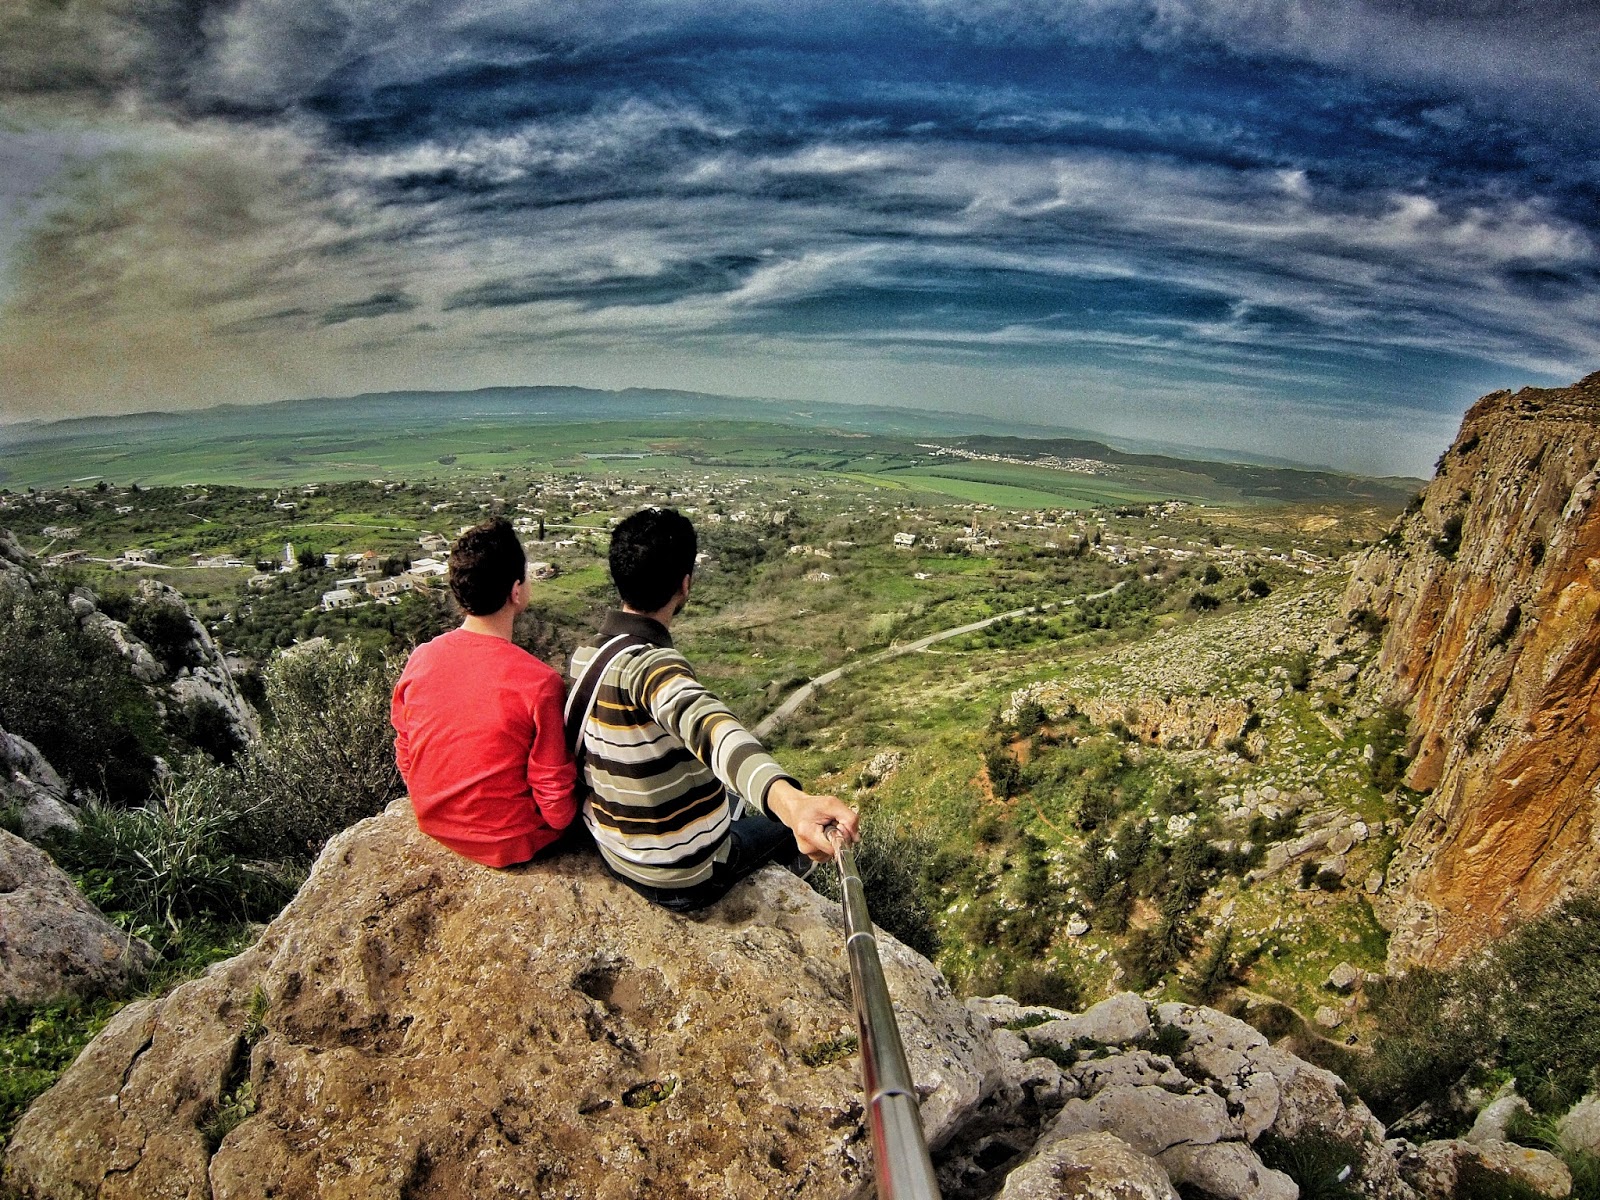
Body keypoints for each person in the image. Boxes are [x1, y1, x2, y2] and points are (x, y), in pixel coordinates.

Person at [569, 506, 859, 911]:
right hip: (680, 878)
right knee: (777, 827)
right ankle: (792, 878)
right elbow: (713, 730)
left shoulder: (584, 659)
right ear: (685, 585)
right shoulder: (654, 667)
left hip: (615, 853)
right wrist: (793, 805)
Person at [391, 517, 577, 866]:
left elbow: (406, 747)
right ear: (516, 591)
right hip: (513, 841)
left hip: (434, 823)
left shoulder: (421, 658)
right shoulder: (539, 683)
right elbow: (555, 801)